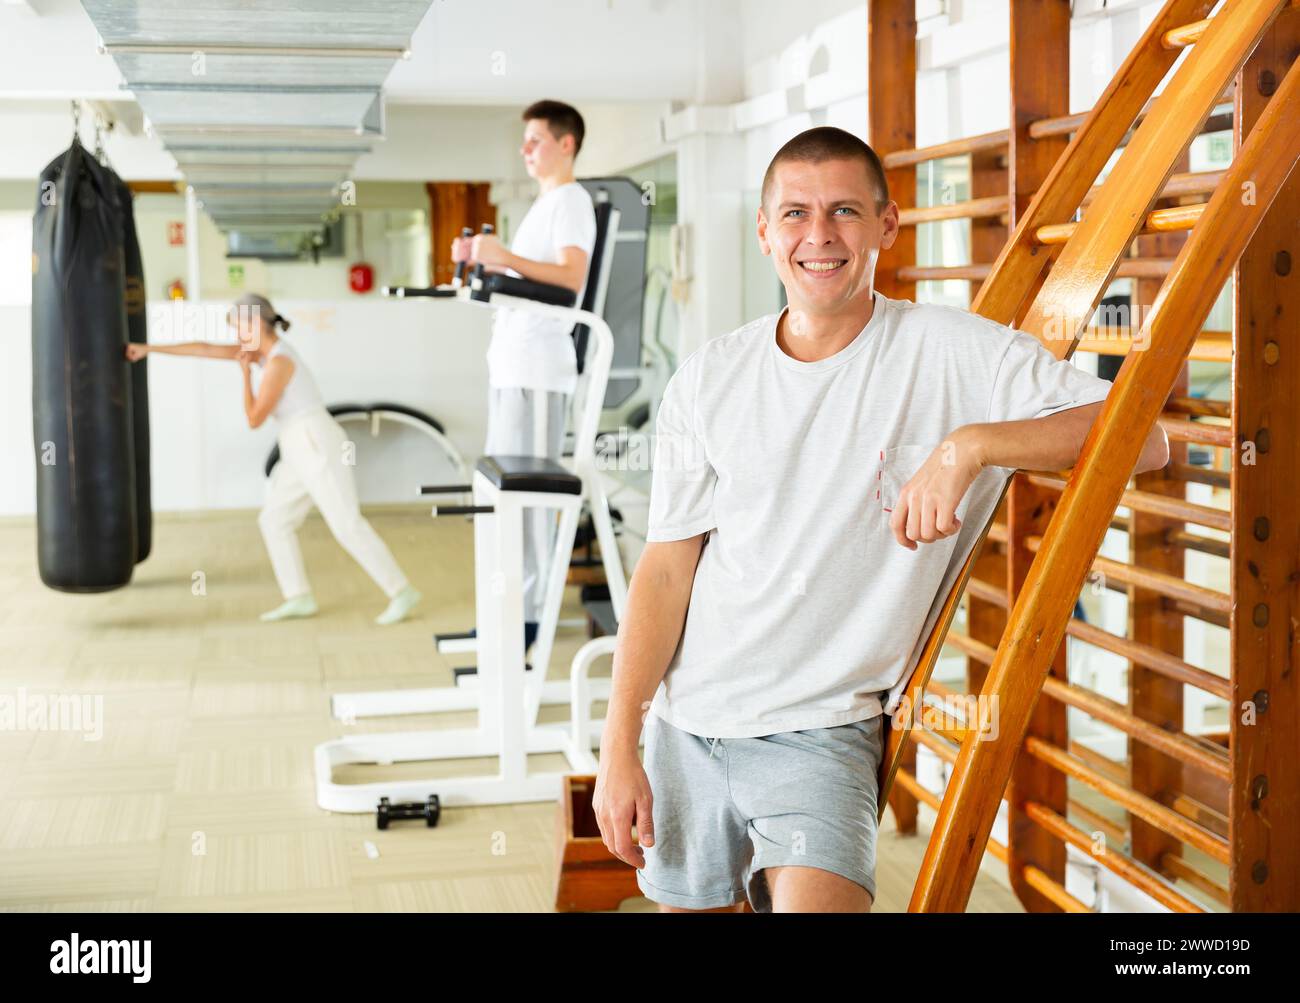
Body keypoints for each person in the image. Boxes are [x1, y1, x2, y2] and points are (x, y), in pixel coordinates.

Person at [592, 126, 1170, 913]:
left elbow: (1146, 437)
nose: (819, 235)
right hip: (687, 721)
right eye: (794, 214)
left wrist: (971, 445)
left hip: (822, 731)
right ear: (765, 233)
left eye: (844, 212)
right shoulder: (711, 376)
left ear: (887, 226)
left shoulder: (949, 351)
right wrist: (619, 742)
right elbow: (666, 570)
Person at [125, 293, 422, 626]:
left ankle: (401, 591)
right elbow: (205, 349)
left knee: (346, 524)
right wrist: (148, 350)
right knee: (275, 520)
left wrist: (243, 374)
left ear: (254, 324)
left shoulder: (279, 362)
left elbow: (254, 418)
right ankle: (299, 596)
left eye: (239, 328)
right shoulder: (262, 355)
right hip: (297, 445)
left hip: (316, 442)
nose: (236, 338)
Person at [452, 99, 596, 651]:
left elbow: (570, 281)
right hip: (511, 368)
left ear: (566, 143)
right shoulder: (542, 205)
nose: (525, 150)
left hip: (539, 371)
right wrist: (487, 259)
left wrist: (503, 254)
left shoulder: (572, 200)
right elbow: (529, 277)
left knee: (529, 500)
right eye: (524, 142)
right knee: (501, 496)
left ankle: (529, 620)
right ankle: (504, 611)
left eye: (535, 140)